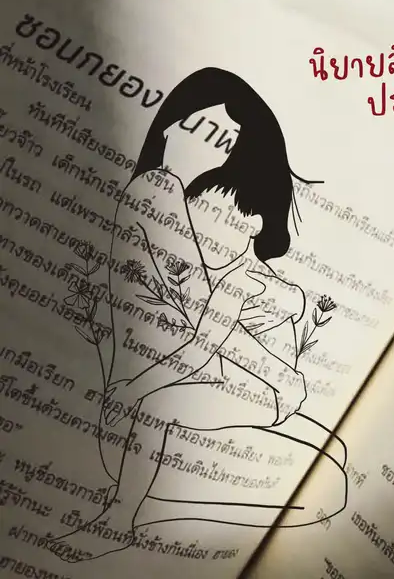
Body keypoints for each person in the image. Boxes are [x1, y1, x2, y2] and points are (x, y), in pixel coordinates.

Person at [47, 67, 347, 563]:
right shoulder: (161, 199)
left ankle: (117, 522)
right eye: (194, 127)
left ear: (251, 225)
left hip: (264, 389)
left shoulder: (235, 275)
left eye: (224, 141)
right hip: (245, 379)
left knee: (155, 404)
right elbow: (206, 338)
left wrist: (135, 390)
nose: (210, 147)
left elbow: (203, 343)